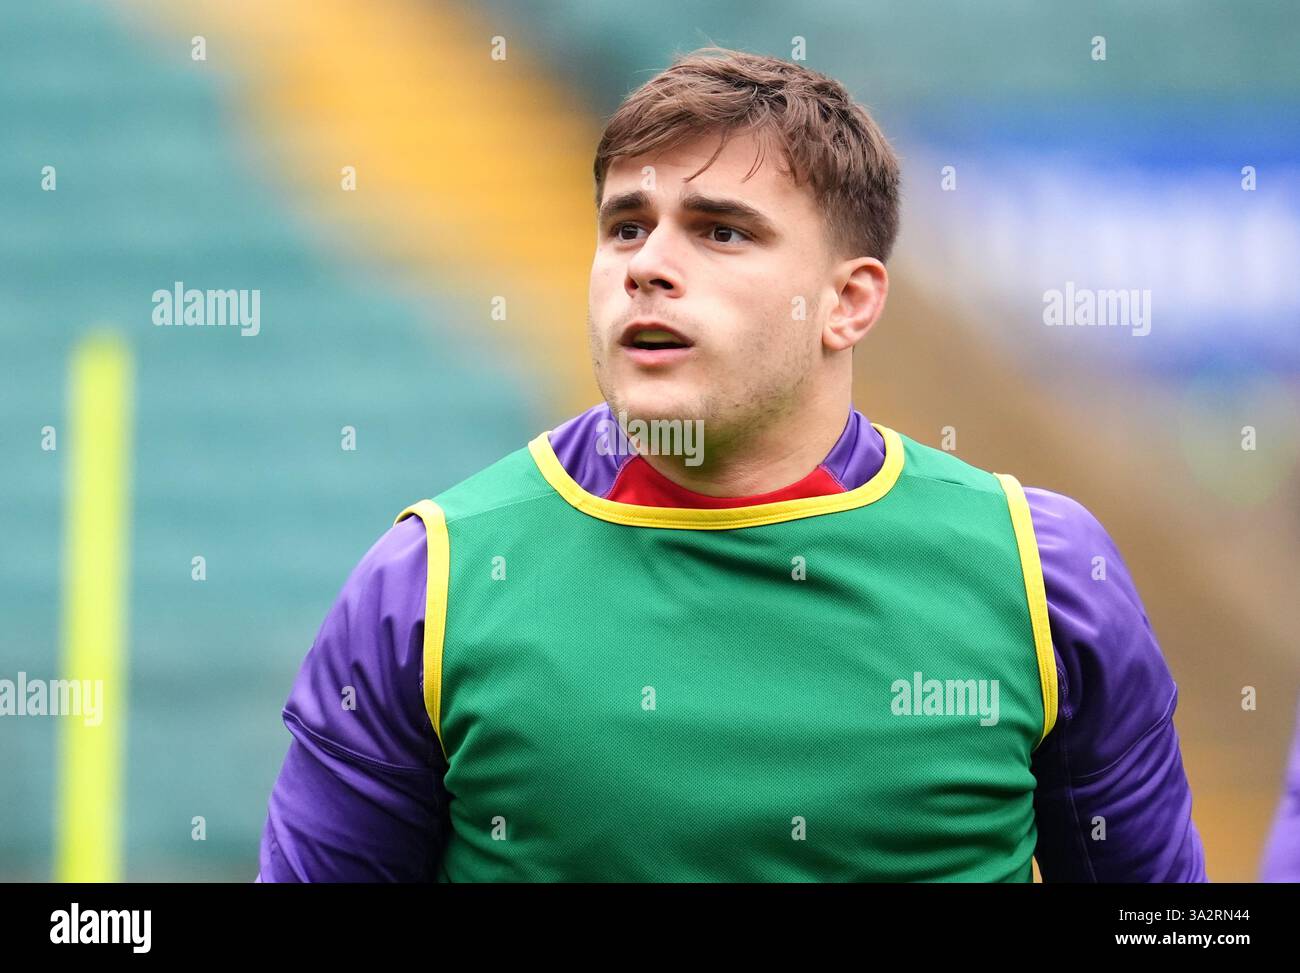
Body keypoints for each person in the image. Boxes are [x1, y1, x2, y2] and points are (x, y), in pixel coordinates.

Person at [257, 47, 1206, 882]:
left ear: (849, 302)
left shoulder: (1042, 577)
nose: (647, 265)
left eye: (720, 230)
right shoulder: (431, 584)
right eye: (626, 225)